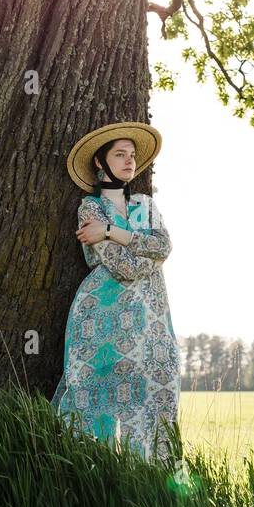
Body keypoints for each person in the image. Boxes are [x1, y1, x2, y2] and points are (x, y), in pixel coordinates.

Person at [50, 120, 182, 469]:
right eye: (120, 154)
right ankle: (98, 482)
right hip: (103, 318)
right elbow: (126, 267)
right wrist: (143, 250)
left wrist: (111, 232)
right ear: (100, 162)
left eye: (132, 155)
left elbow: (165, 245)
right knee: (97, 405)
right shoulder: (90, 210)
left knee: (157, 400)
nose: (129, 161)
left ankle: (154, 485)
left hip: (152, 321)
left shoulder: (143, 205)